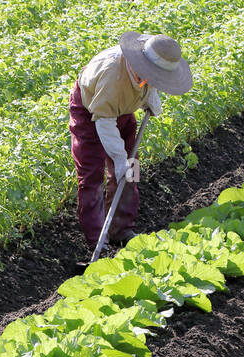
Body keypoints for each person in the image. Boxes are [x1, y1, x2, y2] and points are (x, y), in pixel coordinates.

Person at [69, 32, 193, 251]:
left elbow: (151, 81)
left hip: (123, 111)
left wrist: (149, 97)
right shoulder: (112, 75)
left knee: (131, 169)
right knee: (92, 176)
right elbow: (104, 122)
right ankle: (98, 240)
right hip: (93, 114)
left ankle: (122, 228)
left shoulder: (149, 65)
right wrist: (118, 159)